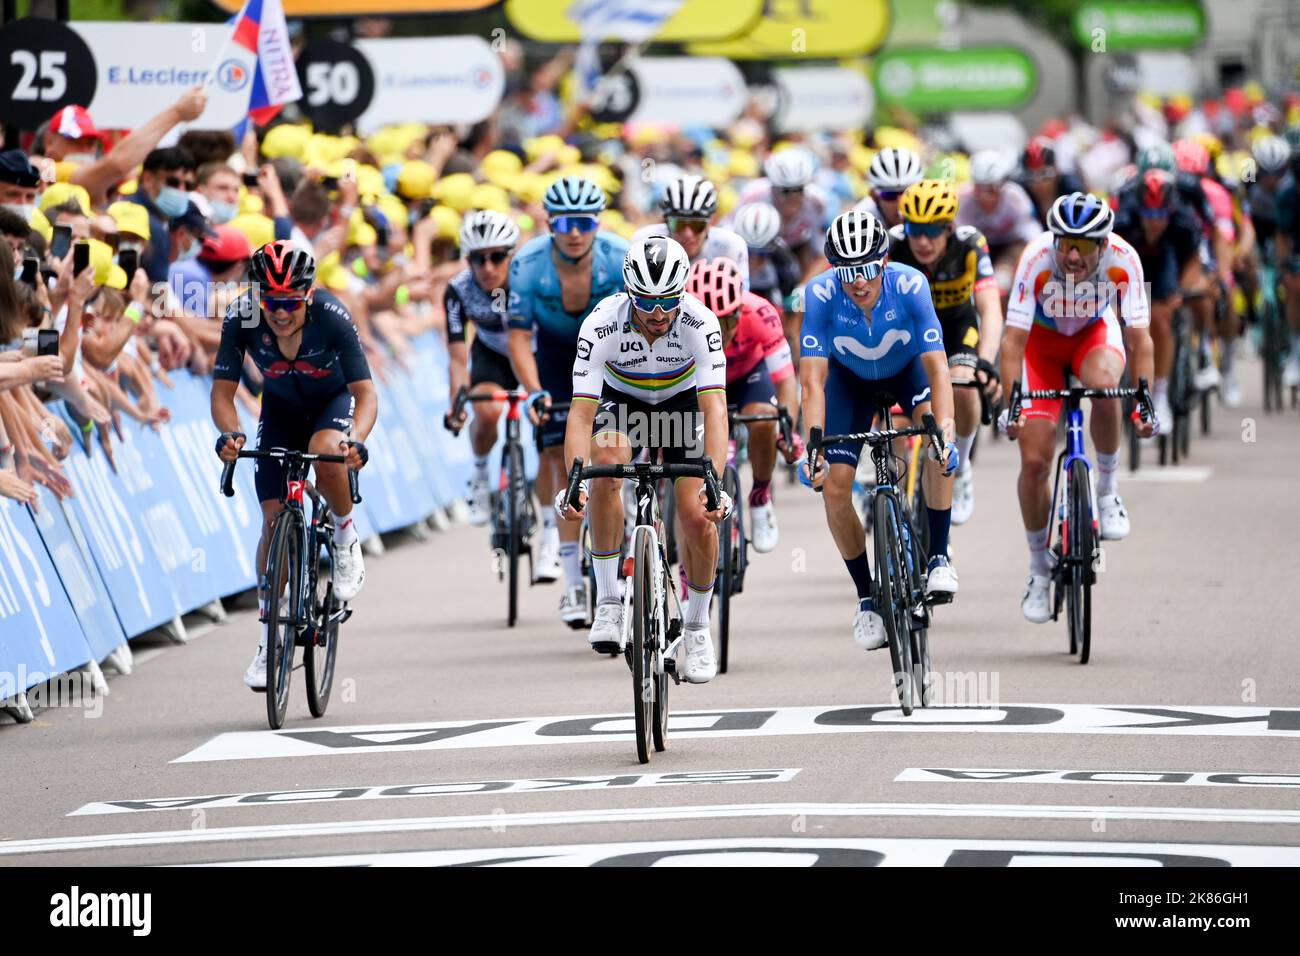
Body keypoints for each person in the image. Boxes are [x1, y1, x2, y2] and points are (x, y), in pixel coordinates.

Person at [554, 236, 731, 682]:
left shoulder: (700, 322)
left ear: (683, 293)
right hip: (623, 404)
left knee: (695, 516)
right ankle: (610, 601)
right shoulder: (600, 324)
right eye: (646, 301)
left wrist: (716, 484)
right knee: (606, 465)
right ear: (629, 293)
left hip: (681, 405)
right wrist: (576, 480)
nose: (657, 312)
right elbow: (580, 413)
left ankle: (696, 624)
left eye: (668, 300)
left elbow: (714, 410)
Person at [211, 241, 376, 690]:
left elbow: (366, 392)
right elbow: (223, 395)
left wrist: (356, 439)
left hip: (331, 404)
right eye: (270, 302)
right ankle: (270, 637)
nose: (279, 313)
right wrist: (230, 434)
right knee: (272, 521)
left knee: (327, 454)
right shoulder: (242, 316)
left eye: (289, 302)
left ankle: (344, 536)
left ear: (307, 295)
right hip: (280, 413)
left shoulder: (332, 316)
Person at [800, 210, 960, 651]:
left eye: (868, 269)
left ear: (884, 262)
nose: (859, 281)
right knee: (834, 489)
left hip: (906, 373)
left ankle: (939, 556)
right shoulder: (818, 295)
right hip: (848, 382)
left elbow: (937, 367)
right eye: (847, 272)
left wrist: (944, 428)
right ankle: (867, 598)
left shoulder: (911, 285)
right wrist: (811, 445)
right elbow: (812, 381)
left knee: (935, 446)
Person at [998, 193, 1157, 623]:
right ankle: (1037, 570)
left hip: (1092, 337)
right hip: (1041, 350)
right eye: (1064, 243)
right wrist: (1012, 404)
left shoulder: (1126, 259)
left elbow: (1140, 338)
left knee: (1106, 388)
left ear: (1103, 246)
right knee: (1034, 462)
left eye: (1084, 246)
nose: (1071, 255)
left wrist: (1144, 402)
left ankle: (1106, 490)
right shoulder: (1035, 258)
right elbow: (1012, 342)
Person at [507, 176, 629, 627]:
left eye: (584, 221)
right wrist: (534, 388)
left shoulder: (620, 257)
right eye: (563, 221)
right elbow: (519, 337)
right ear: (548, 222)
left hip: (614, 354)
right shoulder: (526, 264)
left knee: (615, 452)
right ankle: (575, 586)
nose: (574, 231)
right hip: (557, 359)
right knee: (565, 464)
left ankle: (627, 522)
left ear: (597, 222)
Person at [888, 179, 1004, 525]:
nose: (922, 241)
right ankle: (891, 496)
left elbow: (990, 309)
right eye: (915, 230)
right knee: (895, 417)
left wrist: (985, 361)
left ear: (950, 227)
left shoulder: (970, 245)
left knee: (964, 389)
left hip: (955, 329)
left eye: (933, 230)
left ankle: (962, 464)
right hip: (907, 333)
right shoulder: (892, 246)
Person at [684, 257, 801, 552]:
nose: (721, 331)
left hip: (747, 376)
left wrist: (787, 430)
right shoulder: (677, 321)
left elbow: (786, 380)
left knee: (764, 418)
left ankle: (761, 495)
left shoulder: (761, 313)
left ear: (740, 309)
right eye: (711, 320)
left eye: (728, 320)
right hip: (699, 381)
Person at [442, 210, 523, 527]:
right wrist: (457, 401)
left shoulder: (528, 279)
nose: (488, 267)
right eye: (478, 259)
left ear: (510, 255)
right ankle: (478, 471)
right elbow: (458, 358)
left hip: (532, 352)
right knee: (487, 411)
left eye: (496, 257)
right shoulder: (458, 290)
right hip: (491, 355)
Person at [1112, 169, 1203, 428]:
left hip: (1166, 263)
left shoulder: (1182, 222)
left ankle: (1160, 395)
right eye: (1149, 215)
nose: (1155, 222)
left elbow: (1193, 262)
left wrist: (1180, 293)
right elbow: (1108, 263)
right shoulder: (1122, 222)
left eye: (1161, 215)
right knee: (1125, 322)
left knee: (1161, 321)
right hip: (1130, 268)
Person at [631, 174, 749, 287]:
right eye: (679, 224)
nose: (688, 234)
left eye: (697, 225)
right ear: (666, 222)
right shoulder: (644, 243)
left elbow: (742, 298)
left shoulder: (729, 247)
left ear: (711, 223)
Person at [740, 147, 836, 280]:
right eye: (786, 191)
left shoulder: (816, 202)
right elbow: (732, 240)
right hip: (757, 251)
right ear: (773, 188)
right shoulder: (753, 195)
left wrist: (803, 288)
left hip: (795, 247)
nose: (793, 197)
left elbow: (821, 254)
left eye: (799, 190)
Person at [957, 150, 1041, 301]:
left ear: (1002, 186)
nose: (984, 196)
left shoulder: (1016, 198)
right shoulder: (962, 199)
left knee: (1002, 279)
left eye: (991, 190)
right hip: (976, 248)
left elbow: (1033, 236)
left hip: (1008, 247)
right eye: (979, 189)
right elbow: (955, 239)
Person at [729, 202, 802, 357]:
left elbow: (791, 308)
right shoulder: (724, 249)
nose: (754, 261)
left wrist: (790, 337)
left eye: (762, 254)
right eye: (749, 252)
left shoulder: (785, 262)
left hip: (767, 296)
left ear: (774, 247)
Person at [856, 147, 925, 228]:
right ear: (873, 196)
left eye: (908, 193)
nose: (901, 202)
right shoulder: (860, 221)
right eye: (890, 195)